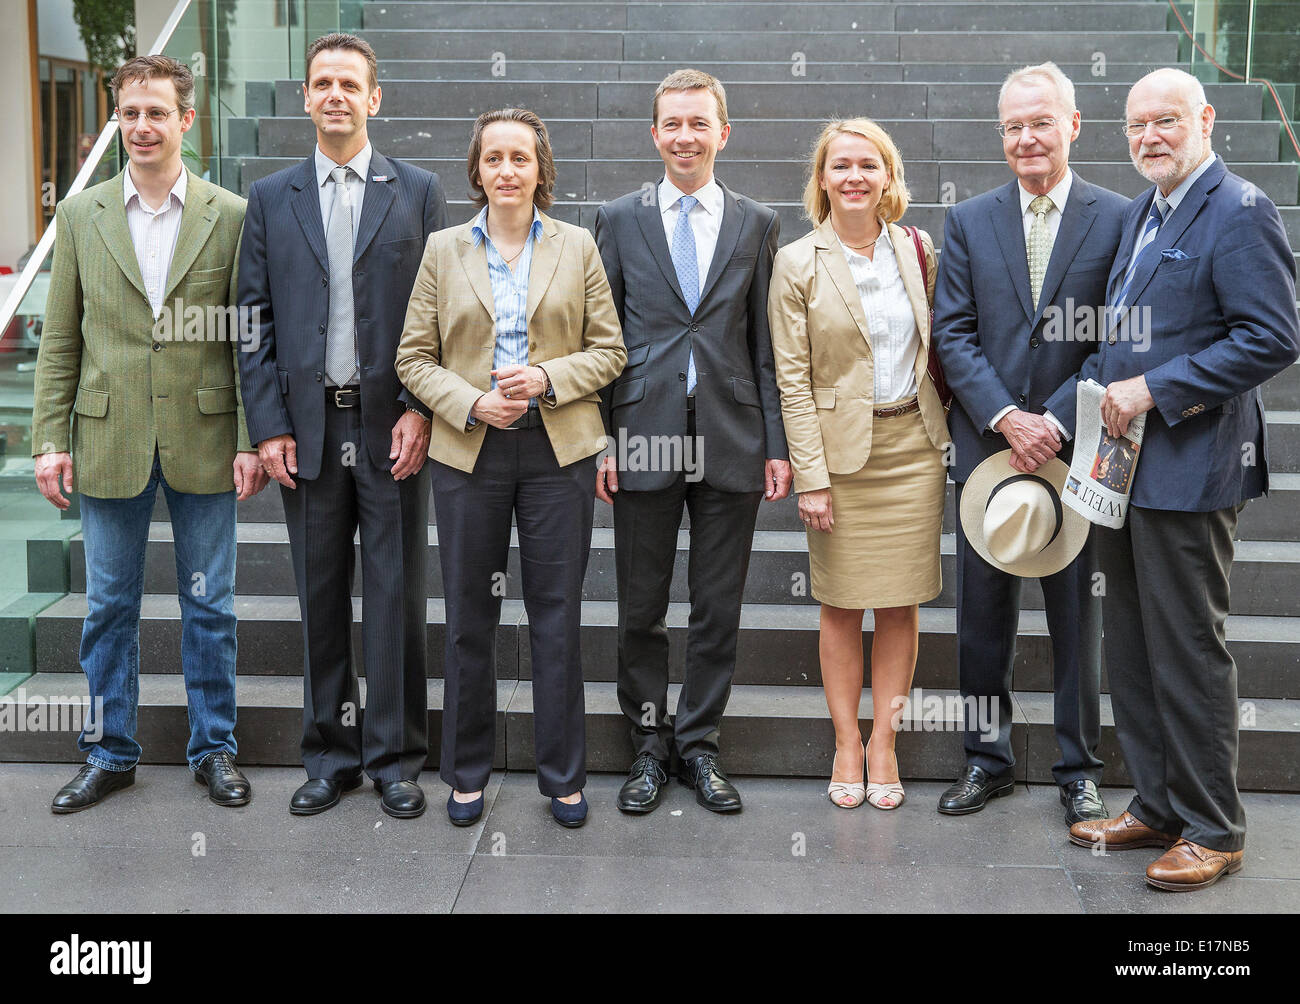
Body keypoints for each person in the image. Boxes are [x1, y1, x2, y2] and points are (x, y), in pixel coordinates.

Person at [1068, 68, 1299, 890]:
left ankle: (1215, 827)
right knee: (1131, 647)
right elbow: (1120, 334)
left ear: (1205, 119)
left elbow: (1272, 336)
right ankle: (1159, 805)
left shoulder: (1239, 210)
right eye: (1135, 127)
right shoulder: (1142, 214)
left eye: (1165, 121)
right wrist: (1089, 398)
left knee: (1189, 649)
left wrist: (1154, 389)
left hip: (1195, 470)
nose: (1149, 138)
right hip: (1125, 471)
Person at [33, 55, 266, 812]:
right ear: (118, 121)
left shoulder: (230, 215)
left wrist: (247, 435)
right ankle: (109, 750)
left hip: (203, 437)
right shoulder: (79, 215)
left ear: (186, 120)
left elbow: (246, 338)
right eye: (129, 113)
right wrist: (48, 438)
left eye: (156, 112)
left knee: (211, 605)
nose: (141, 126)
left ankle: (215, 749)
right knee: (107, 606)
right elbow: (61, 337)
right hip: (109, 436)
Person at [237, 33, 447, 819]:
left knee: (395, 597)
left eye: (349, 83)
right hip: (308, 431)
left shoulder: (418, 190)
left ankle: (395, 758)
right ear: (305, 97)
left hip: (393, 429)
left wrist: (424, 409)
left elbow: (444, 315)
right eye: (321, 82)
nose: (335, 95)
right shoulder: (270, 198)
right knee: (320, 597)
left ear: (374, 97)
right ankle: (329, 755)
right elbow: (250, 321)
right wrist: (266, 426)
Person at [397, 108, 624, 828]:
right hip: (470, 454)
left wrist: (548, 379)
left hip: (557, 454)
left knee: (556, 618)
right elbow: (412, 357)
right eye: (493, 158)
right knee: (469, 619)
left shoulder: (578, 245)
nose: (506, 170)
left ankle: (562, 777)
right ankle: (465, 773)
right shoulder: (442, 249)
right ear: (477, 170)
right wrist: (469, 403)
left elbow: (610, 350)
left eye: (519, 158)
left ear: (539, 169)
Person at [932, 62, 1129, 824]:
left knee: (1077, 615)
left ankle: (1078, 767)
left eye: (1040, 122)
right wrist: (1006, 418)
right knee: (982, 615)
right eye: (1013, 126)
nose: (1026, 138)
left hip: (1076, 448)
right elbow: (952, 332)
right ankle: (986, 760)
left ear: (1073, 126)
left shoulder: (1117, 217)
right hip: (987, 450)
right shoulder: (971, 219)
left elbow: (1120, 334)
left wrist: (1053, 419)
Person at [595, 69, 792, 815]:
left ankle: (700, 745)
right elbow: (602, 338)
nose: (684, 136)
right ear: (654, 133)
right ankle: (647, 748)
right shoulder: (617, 218)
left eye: (698, 123)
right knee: (641, 609)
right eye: (671, 123)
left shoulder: (757, 222)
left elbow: (766, 342)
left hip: (731, 435)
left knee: (717, 607)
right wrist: (603, 440)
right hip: (642, 434)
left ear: (722, 132)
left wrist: (776, 442)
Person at [769, 119, 950, 810]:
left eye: (867, 165)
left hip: (912, 447)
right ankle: (847, 740)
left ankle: (885, 742)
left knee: (900, 603)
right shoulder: (797, 260)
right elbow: (792, 377)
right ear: (821, 178)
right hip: (839, 457)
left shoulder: (917, 247)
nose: (853, 177)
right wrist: (809, 475)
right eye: (840, 165)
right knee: (841, 604)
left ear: (887, 176)